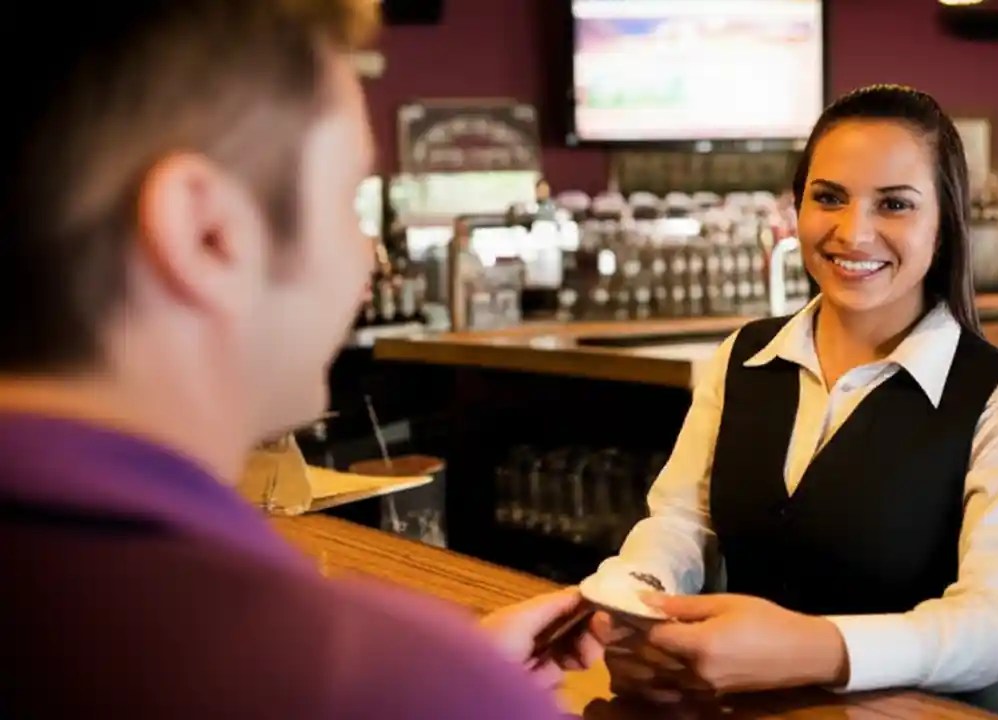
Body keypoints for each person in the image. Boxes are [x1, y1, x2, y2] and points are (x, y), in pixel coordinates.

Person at [0, 2, 597, 718]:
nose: (368, 258)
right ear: (207, 235)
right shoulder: (362, 680)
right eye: (347, 202)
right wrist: (438, 686)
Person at [590, 85, 998, 714]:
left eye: (894, 204)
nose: (854, 232)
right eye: (829, 198)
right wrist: (638, 600)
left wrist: (819, 648)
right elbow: (683, 522)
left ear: (944, 222)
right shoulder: (742, 358)